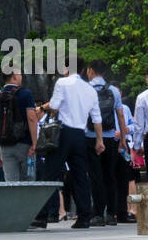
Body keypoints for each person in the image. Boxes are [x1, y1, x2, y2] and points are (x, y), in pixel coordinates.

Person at [34, 60, 104, 229]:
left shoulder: (62, 82)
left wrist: (43, 107)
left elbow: (56, 105)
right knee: (80, 176)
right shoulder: (90, 90)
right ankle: (84, 217)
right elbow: (96, 118)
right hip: (80, 134)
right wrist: (100, 140)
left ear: (66, 68)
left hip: (63, 133)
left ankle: (42, 216)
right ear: (82, 70)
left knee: (50, 173)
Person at [84, 60, 127, 225]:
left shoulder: (86, 89)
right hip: (110, 138)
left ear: (91, 71)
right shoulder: (114, 90)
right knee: (110, 176)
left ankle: (98, 214)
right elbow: (121, 115)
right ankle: (111, 213)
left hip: (90, 136)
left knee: (96, 176)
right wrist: (122, 139)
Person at [0, 65, 39, 182]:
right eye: (20, 74)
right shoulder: (26, 94)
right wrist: (35, 143)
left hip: (4, 147)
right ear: (15, 76)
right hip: (25, 146)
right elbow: (32, 118)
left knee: (11, 183)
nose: (21, 77)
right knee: (28, 181)